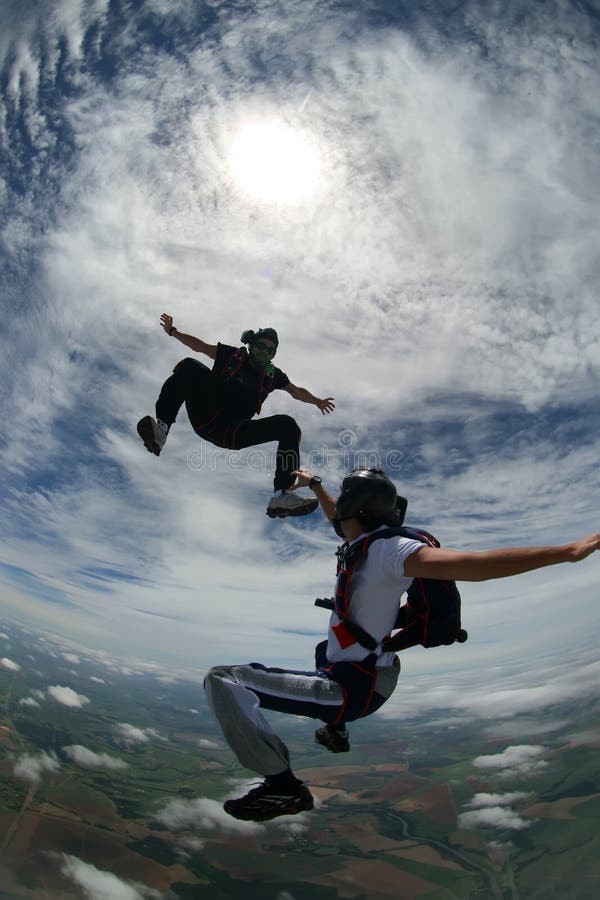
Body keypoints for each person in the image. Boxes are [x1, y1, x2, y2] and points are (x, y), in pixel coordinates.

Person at [204, 467, 599, 822]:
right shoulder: (364, 541)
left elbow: (475, 564)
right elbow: (335, 518)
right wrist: (316, 484)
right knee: (324, 650)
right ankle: (336, 732)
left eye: (344, 504)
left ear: (356, 507)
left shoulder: (388, 551)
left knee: (224, 681)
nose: (337, 513)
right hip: (362, 671)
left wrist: (568, 552)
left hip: (353, 688)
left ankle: (283, 787)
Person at [137, 314, 335, 518]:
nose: (264, 352)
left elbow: (297, 392)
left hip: (233, 432)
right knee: (191, 367)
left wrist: (317, 401)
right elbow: (199, 346)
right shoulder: (231, 355)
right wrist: (173, 331)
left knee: (288, 426)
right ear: (251, 346)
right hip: (207, 415)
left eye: (270, 350)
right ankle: (161, 430)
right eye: (261, 346)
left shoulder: (273, 375)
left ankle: (281, 495)